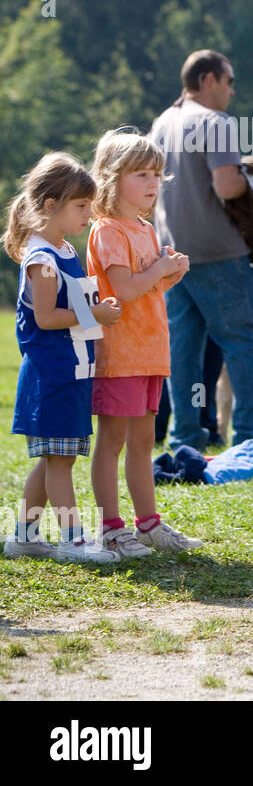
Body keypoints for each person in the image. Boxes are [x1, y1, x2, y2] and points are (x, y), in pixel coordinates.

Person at [85, 130, 203, 556]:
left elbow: (148, 292)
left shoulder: (145, 228)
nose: (153, 182)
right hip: (119, 354)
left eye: (157, 173)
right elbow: (123, 291)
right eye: (141, 174)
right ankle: (111, 528)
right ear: (112, 179)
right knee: (112, 441)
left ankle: (148, 524)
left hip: (151, 350)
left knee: (143, 443)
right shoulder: (108, 230)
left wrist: (170, 274)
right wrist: (157, 272)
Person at [4, 153, 123, 563]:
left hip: (72, 372)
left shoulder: (63, 250)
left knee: (57, 456)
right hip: (51, 376)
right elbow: (46, 317)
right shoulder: (42, 259)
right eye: (81, 206)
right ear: (50, 206)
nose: (89, 214)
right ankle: (72, 540)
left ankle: (22, 535)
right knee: (60, 460)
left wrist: (94, 308)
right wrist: (96, 314)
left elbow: (70, 306)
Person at [151, 49, 253, 449]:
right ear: (208, 80)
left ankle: (185, 435)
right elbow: (226, 186)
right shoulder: (215, 122)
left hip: (171, 255)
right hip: (218, 251)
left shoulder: (162, 122)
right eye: (229, 81)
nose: (232, 91)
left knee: (183, 351)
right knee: (243, 343)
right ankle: (251, 436)